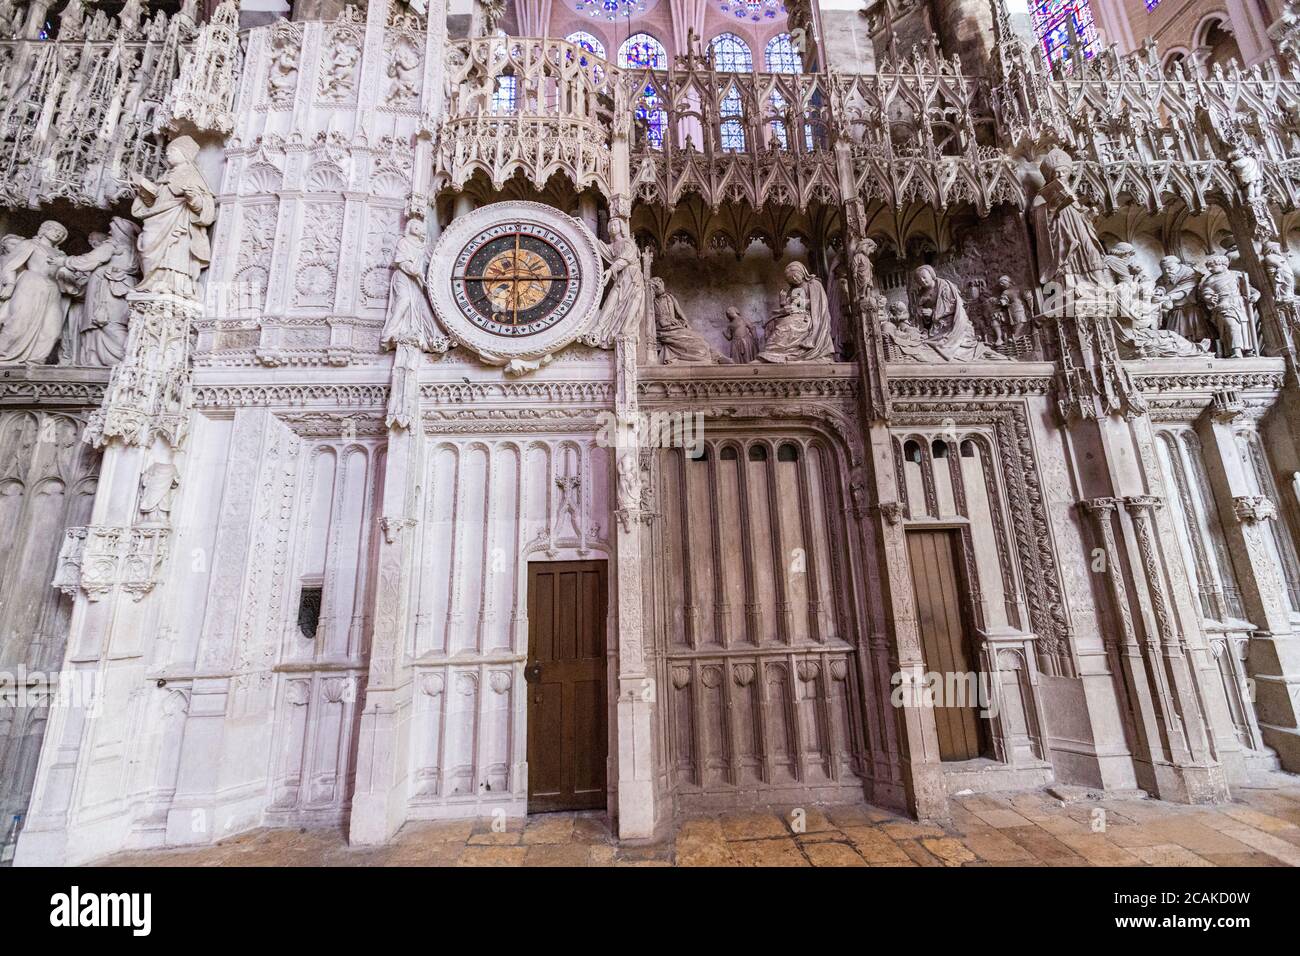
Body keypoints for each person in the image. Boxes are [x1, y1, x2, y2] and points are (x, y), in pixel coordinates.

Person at [131, 136, 215, 298]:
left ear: (184, 154)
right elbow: (153, 203)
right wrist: (144, 192)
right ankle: (152, 282)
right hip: (157, 218)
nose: (168, 154)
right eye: (168, 150)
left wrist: (192, 199)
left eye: (173, 151)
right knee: (147, 244)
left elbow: (205, 206)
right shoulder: (165, 175)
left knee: (174, 248)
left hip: (178, 219)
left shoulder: (192, 175)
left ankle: (171, 284)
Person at [0, 221, 75, 365]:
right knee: (18, 322)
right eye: (54, 229)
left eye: (61, 233)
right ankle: (3, 356)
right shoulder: (30, 244)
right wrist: (10, 285)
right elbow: (10, 265)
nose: (58, 233)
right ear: (43, 230)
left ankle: (35, 361)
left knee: (52, 329)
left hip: (53, 289)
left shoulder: (61, 254)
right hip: (30, 284)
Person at [758, 262, 836, 363]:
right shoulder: (793, 289)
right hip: (794, 315)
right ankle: (771, 353)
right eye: (791, 279)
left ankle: (773, 353)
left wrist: (802, 304)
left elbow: (819, 304)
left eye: (795, 276)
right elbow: (788, 306)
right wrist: (783, 303)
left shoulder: (814, 284)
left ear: (802, 272)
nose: (794, 279)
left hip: (809, 318)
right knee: (773, 323)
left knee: (786, 325)